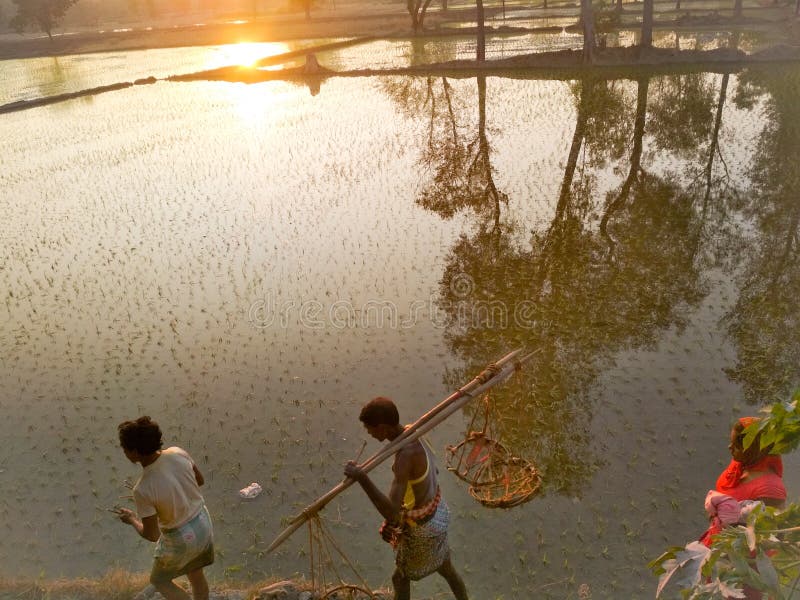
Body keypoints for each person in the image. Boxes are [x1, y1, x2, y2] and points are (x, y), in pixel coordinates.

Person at [344, 397, 468, 600]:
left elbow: (392, 513)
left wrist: (361, 477)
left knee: (400, 579)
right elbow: (426, 476)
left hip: (424, 529)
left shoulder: (405, 455)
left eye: (370, 429)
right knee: (447, 568)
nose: (368, 433)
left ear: (383, 428)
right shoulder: (413, 431)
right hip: (438, 514)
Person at [116, 416, 214, 600]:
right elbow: (199, 480)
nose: (124, 452)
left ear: (135, 452)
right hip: (202, 525)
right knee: (195, 574)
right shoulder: (177, 453)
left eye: (125, 448)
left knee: (160, 580)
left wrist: (131, 519)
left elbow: (152, 535)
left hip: (181, 539)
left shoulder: (142, 489)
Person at [700, 417, 786, 600]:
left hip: (744, 564)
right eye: (731, 443)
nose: (730, 448)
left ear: (754, 448)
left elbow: (772, 533)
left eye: (737, 445)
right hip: (721, 548)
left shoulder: (770, 487)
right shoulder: (740, 466)